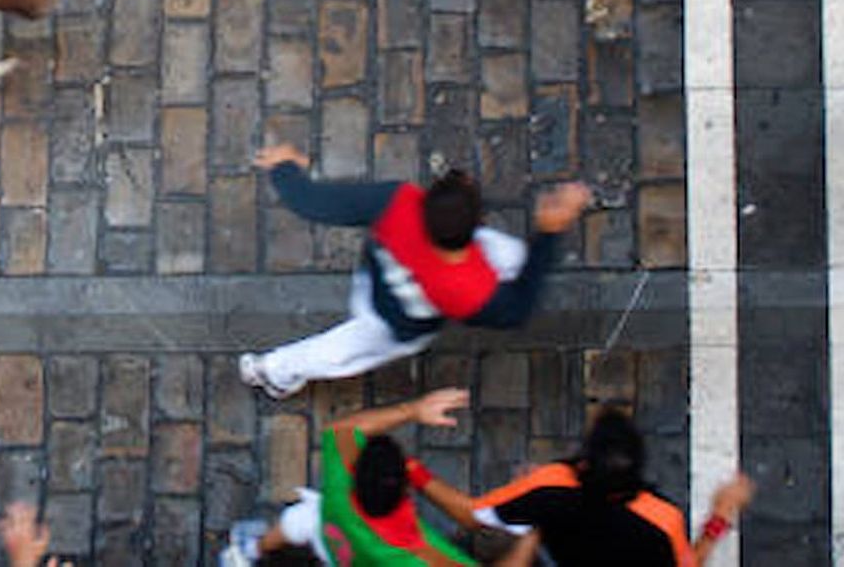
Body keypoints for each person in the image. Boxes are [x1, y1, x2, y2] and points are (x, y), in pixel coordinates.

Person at [236, 143, 590, 398]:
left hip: (381, 285)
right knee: (340, 353)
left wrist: (284, 167)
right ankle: (274, 371)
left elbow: (312, 202)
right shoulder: (468, 289)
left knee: (513, 256)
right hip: (391, 322)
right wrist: (549, 233)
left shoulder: (398, 202)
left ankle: (274, 371)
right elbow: (517, 309)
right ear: (475, 230)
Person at [419, 409, 755, 566]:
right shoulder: (661, 518)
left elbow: (468, 513)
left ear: (584, 464)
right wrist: (720, 517)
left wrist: (410, 470)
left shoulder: (551, 486)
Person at [223, 388, 475, 565]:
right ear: (404, 491)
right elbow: (471, 516)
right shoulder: (415, 549)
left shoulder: (340, 473)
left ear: (356, 474)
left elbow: (344, 429)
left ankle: (248, 551)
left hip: (330, 539)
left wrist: (413, 410)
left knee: (298, 520)